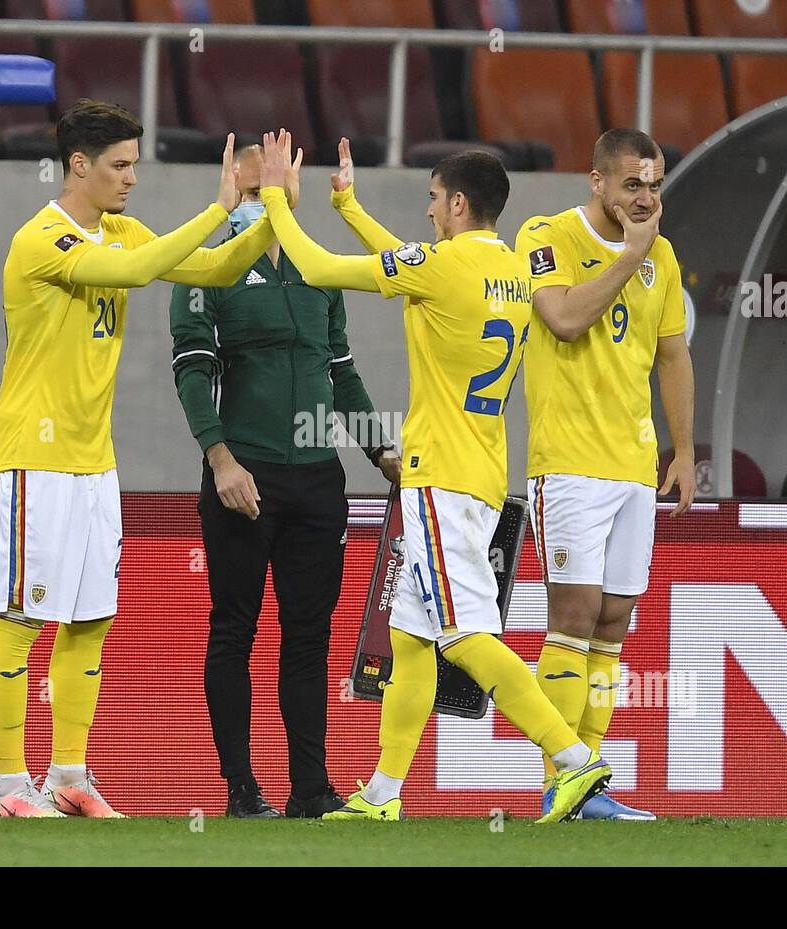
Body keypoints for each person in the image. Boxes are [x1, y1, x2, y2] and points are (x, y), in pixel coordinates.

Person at [255, 130, 612, 823]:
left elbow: (320, 268)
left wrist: (276, 198)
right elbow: (416, 265)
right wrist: (351, 206)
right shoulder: (509, 270)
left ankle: (573, 761)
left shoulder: (443, 267)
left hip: (439, 479)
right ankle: (383, 796)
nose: (425, 212)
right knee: (413, 640)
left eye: (430, 200)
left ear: (455, 204)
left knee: (464, 635)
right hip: (479, 474)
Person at [0, 99, 294, 818]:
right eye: (119, 166)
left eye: (135, 165)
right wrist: (219, 208)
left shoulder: (119, 228)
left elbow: (211, 271)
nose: (131, 179)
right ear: (79, 164)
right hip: (34, 454)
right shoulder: (42, 240)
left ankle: (68, 778)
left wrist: (270, 209)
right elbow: (142, 270)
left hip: (94, 461)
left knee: (90, 619)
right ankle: (7, 787)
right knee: (22, 619)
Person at [170, 140, 401, 819]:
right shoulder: (204, 266)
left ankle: (311, 789)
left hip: (316, 482)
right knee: (234, 629)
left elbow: (343, 372)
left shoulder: (318, 268)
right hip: (243, 474)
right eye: (254, 178)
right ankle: (241, 791)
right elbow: (192, 371)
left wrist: (380, 451)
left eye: (280, 175)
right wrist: (220, 461)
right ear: (232, 188)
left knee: (309, 636)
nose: (269, 186)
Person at [515, 128, 695, 821]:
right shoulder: (547, 234)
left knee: (615, 622)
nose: (646, 198)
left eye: (653, 186)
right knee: (574, 614)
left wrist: (683, 451)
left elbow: (672, 355)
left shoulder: (666, 258)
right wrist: (630, 256)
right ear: (596, 181)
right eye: (632, 185)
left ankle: (588, 786)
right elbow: (561, 319)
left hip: (632, 464)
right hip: (567, 463)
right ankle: (562, 773)